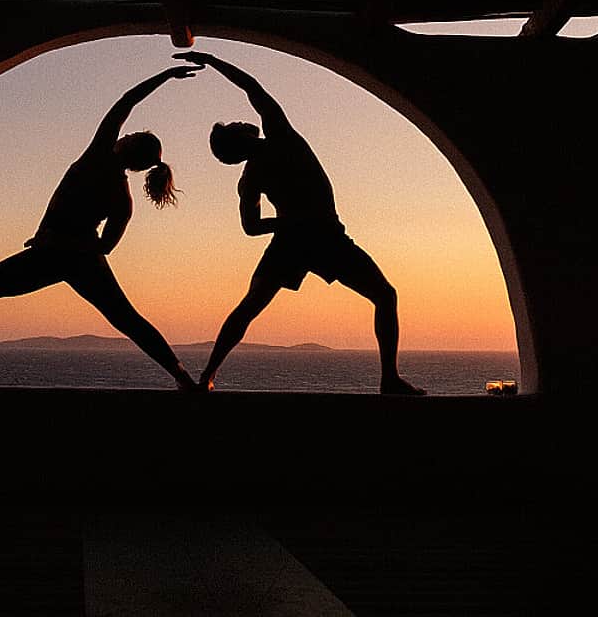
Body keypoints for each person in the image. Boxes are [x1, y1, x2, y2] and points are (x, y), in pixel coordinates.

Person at [0, 65, 204, 390]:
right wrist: (56, 239)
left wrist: (165, 76)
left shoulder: (100, 153)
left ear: (130, 147)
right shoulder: (122, 197)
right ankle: (183, 377)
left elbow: (126, 101)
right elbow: (104, 247)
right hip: (78, 259)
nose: (124, 134)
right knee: (127, 319)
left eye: (130, 136)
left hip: (57, 255)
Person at [174, 50, 426, 395]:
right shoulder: (279, 136)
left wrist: (284, 223)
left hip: (295, 241)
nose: (239, 121)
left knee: (249, 307)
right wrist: (215, 61)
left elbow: (250, 226)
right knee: (384, 295)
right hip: (323, 237)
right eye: (233, 125)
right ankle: (389, 379)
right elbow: (253, 88)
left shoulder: (250, 178)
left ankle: (206, 377)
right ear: (241, 137)